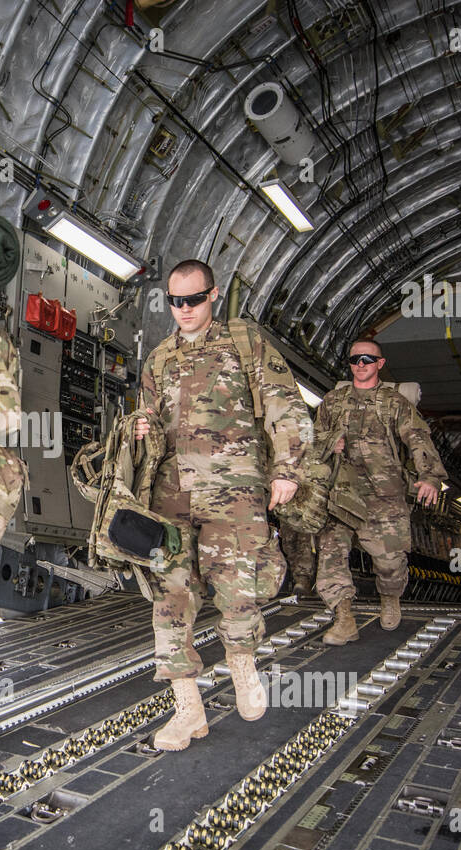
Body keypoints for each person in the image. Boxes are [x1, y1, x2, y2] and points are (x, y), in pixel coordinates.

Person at [134, 259, 310, 749]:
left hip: (234, 491)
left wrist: (287, 469)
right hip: (171, 497)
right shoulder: (159, 358)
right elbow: (144, 419)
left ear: (212, 295)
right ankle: (187, 709)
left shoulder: (245, 342)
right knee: (170, 597)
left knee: (239, 591)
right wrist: (140, 430)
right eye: (175, 301)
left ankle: (240, 661)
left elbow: (285, 404)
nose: (184, 310)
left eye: (193, 299)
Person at [314, 338, 447, 644]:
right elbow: (313, 438)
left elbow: (417, 437)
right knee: (331, 554)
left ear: (380, 364)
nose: (361, 365)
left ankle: (390, 597)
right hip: (341, 493)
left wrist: (430, 476)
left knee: (390, 563)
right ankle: (344, 617)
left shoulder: (394, 402)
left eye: (367, 359)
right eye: (355, 360)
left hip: (384, 495)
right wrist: (327, 444)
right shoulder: (332, 401)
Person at [280, 523, 317, 596]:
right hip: (285, 515)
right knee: (289, 546)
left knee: (305, 545)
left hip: (305, 517)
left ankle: (303, 580)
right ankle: (298, 581)